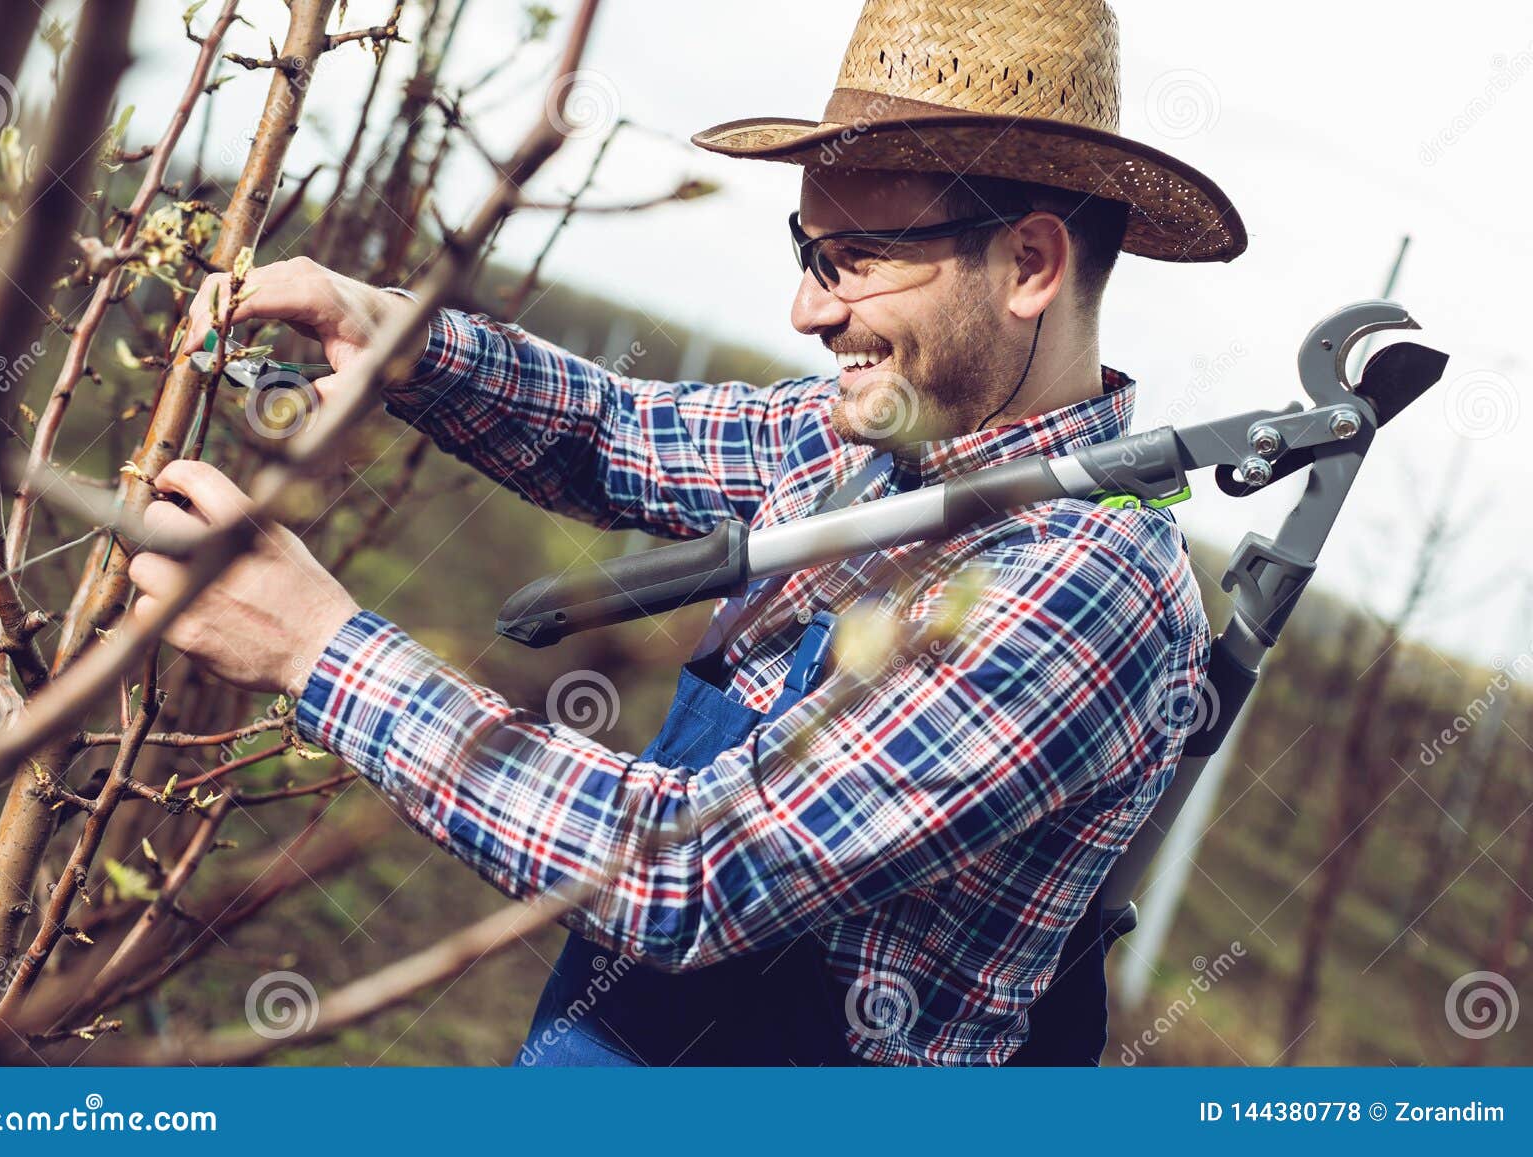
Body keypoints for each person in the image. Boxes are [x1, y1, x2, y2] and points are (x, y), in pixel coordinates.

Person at [130, 0, 1243, 1065]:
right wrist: (402, 338)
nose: (807, 312)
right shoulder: (872, 444)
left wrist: (320, 648)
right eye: (807, 251)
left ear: (1030, 266)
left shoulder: (1081, 586)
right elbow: (610, 429)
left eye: (853, 259)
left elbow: (696, 872)